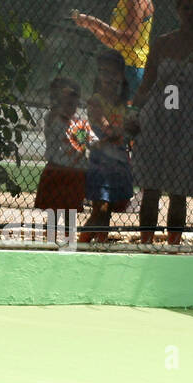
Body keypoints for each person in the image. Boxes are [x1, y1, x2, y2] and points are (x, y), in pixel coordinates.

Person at [125, 0, 193, 245]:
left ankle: (173, 247)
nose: (190, 13)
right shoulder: (162, 44)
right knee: (151, 188)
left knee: (179, 191)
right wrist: (134, 114)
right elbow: (146, 84)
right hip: (156, 121)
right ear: (177, 10)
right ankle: (146, 243)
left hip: (189, 125)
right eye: (185, 7)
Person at [72, 0, 153, 102]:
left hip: (132, 69)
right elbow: (113, 41)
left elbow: (130, 39)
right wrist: (89, 25)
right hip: (121, 67)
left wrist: (94, 22)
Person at [79, 50, 134, 243]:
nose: (108, 77)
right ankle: (81, 244)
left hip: (118, 162)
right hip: (101, 161)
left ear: (120, 76)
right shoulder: (96, 100)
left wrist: (125, 130)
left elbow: (128, 130)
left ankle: (101, 245)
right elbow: (107, 128)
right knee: (100, 209)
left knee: (108, 210)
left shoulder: (122, 104)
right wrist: (123, 129)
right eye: (103, 72)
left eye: (113, 73)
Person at [32, 76, 86, 238]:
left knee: (71, 211)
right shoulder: (52, 117)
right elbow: (53, 121)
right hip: (56, 168)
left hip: (74, 171)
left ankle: (69, 239)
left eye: (74, 104)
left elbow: (83, 145)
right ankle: (51, 239)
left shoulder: (78, 122)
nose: (71, 108)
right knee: (54, 211)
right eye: (66, 103)